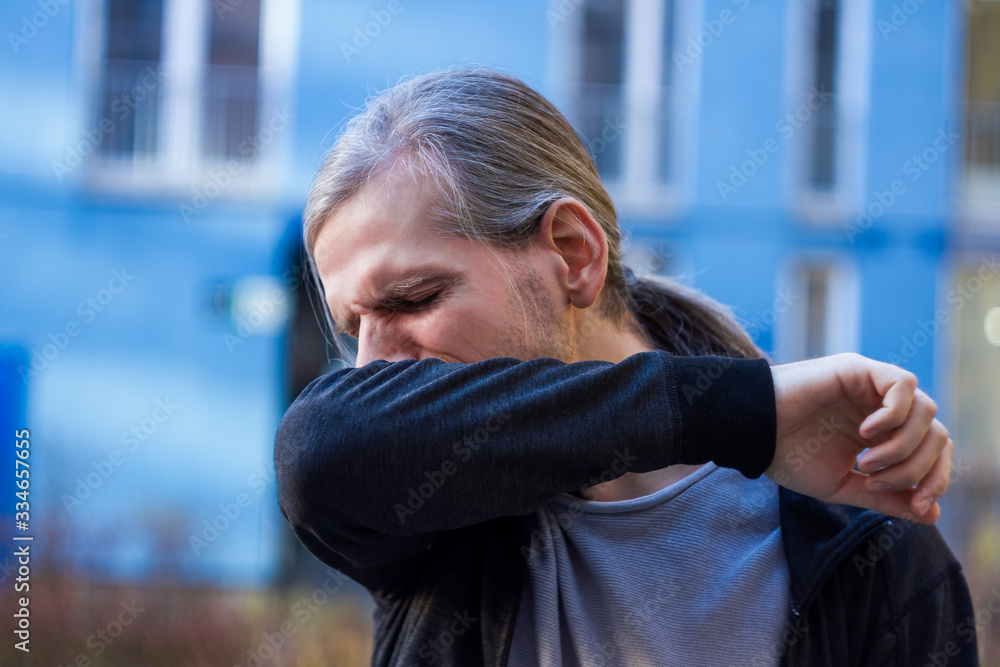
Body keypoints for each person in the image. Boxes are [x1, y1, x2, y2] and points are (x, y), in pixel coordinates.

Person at [274, 68, 977, 666]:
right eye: (353, 329)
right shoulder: (435, 509)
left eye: (414, 298)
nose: (373, 367)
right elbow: (320, 447)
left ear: (574, 253)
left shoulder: (866, 546)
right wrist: (745, 411)